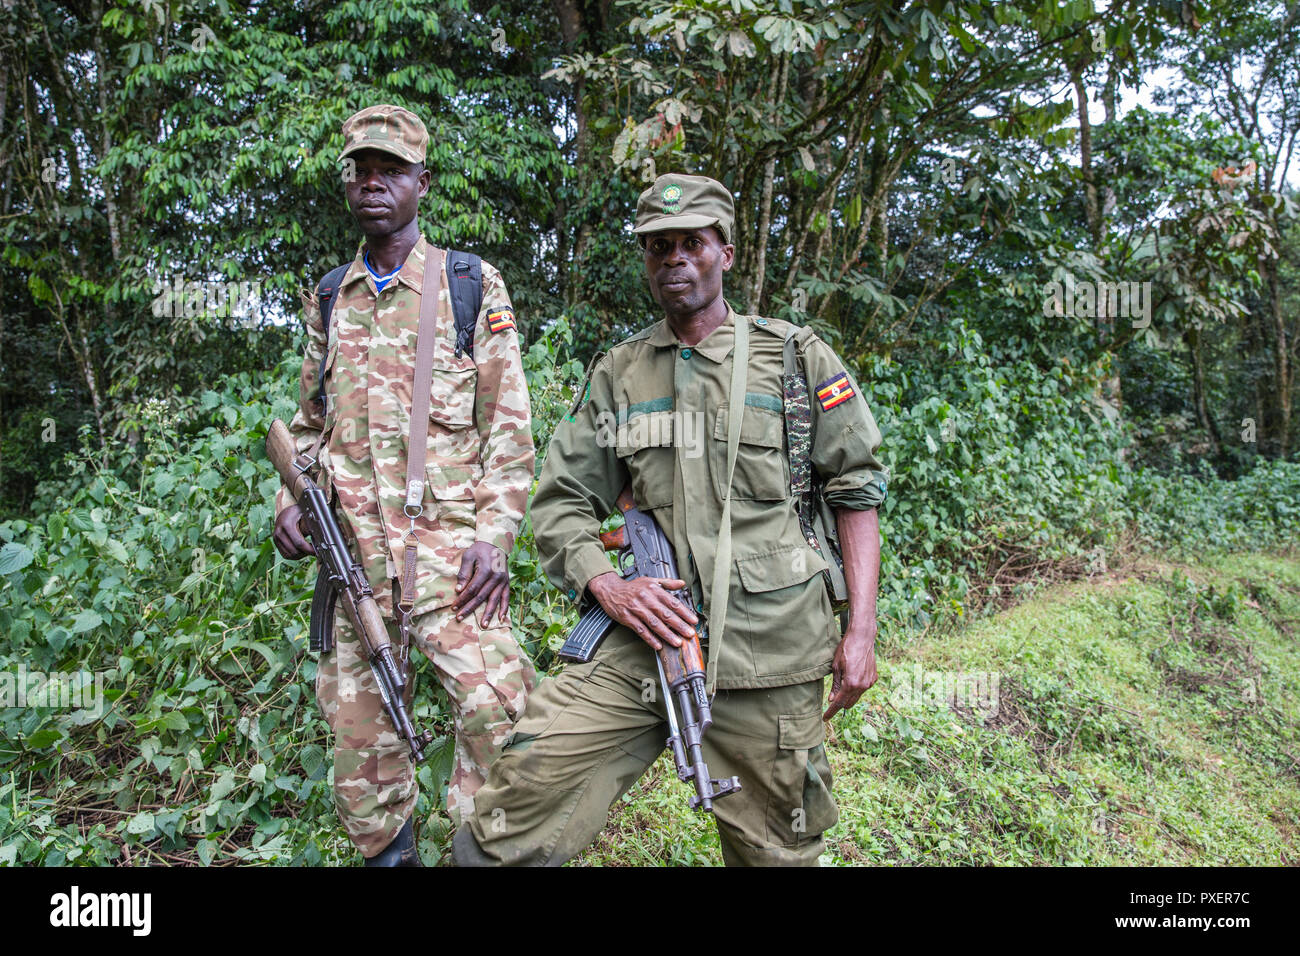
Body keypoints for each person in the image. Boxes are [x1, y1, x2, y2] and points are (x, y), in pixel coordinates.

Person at [453, 173, 888, 866]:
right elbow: (561, 500)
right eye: (658, 246)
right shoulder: (621, 373)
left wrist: (860, 630)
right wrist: (609, 586)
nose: (674, 258)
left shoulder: (793, 358)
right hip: (643, 643)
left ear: (727, 253)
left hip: (770, 653)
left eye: (693, 243)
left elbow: (856, 490)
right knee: (523, 790)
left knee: (776, 849)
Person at [271, 105, 536, 866]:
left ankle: (478, 855)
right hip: (353, 566)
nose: (373, 182)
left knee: (497, 715)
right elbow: (309, 426)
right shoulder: (330, 296)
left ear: (424, 181)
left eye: (391, 169)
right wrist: (291, 503)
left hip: (453, 566)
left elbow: (509, 430)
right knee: (362, 755)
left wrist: (494, 537)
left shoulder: (467, 285)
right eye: (361, 169)